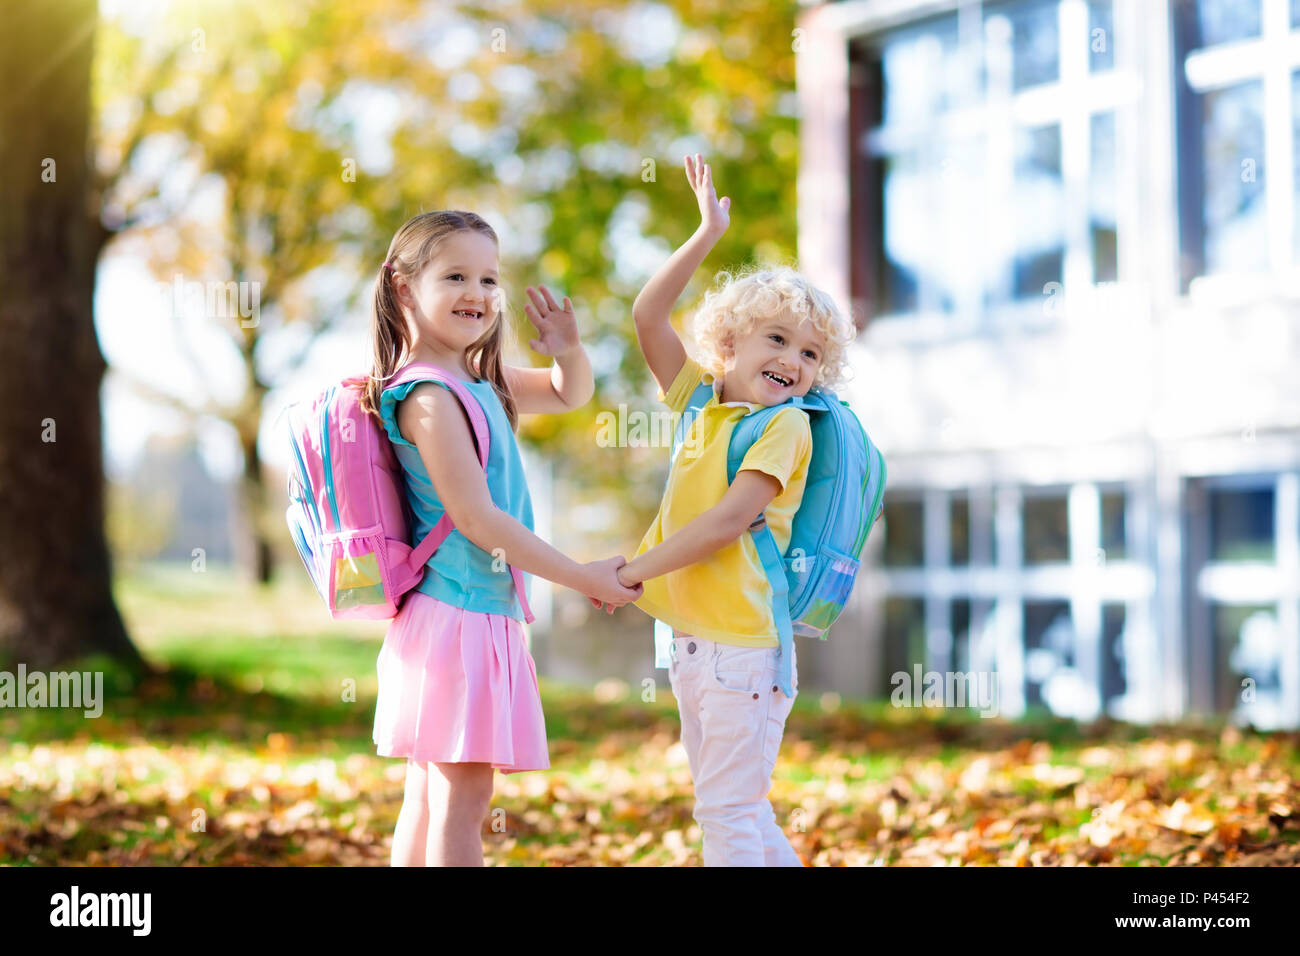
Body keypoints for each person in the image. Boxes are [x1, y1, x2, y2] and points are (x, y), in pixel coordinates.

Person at [359, 210, 642, 866]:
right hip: (459, 614)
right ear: (403, 288)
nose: (478, 293)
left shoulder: (476, 380)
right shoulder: (428, 395)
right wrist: (585, 576)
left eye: (490, 279)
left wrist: (568, 348)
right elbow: (479, 518)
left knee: (433, 798)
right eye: (455, 275)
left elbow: (568, 395)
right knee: (462, 801)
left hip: (463, 614)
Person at [614, 156, 855, 866]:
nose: (792, 360)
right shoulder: (704, 407)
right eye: (776, 339)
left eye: (810, 353)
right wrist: (705, 234)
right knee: (741, 810)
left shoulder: (786, 426)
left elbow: (727, 522)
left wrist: (631, 573)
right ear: (729, 343)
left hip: (743, 649)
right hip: (698, 645)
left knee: (725, 814)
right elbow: (646, 315)